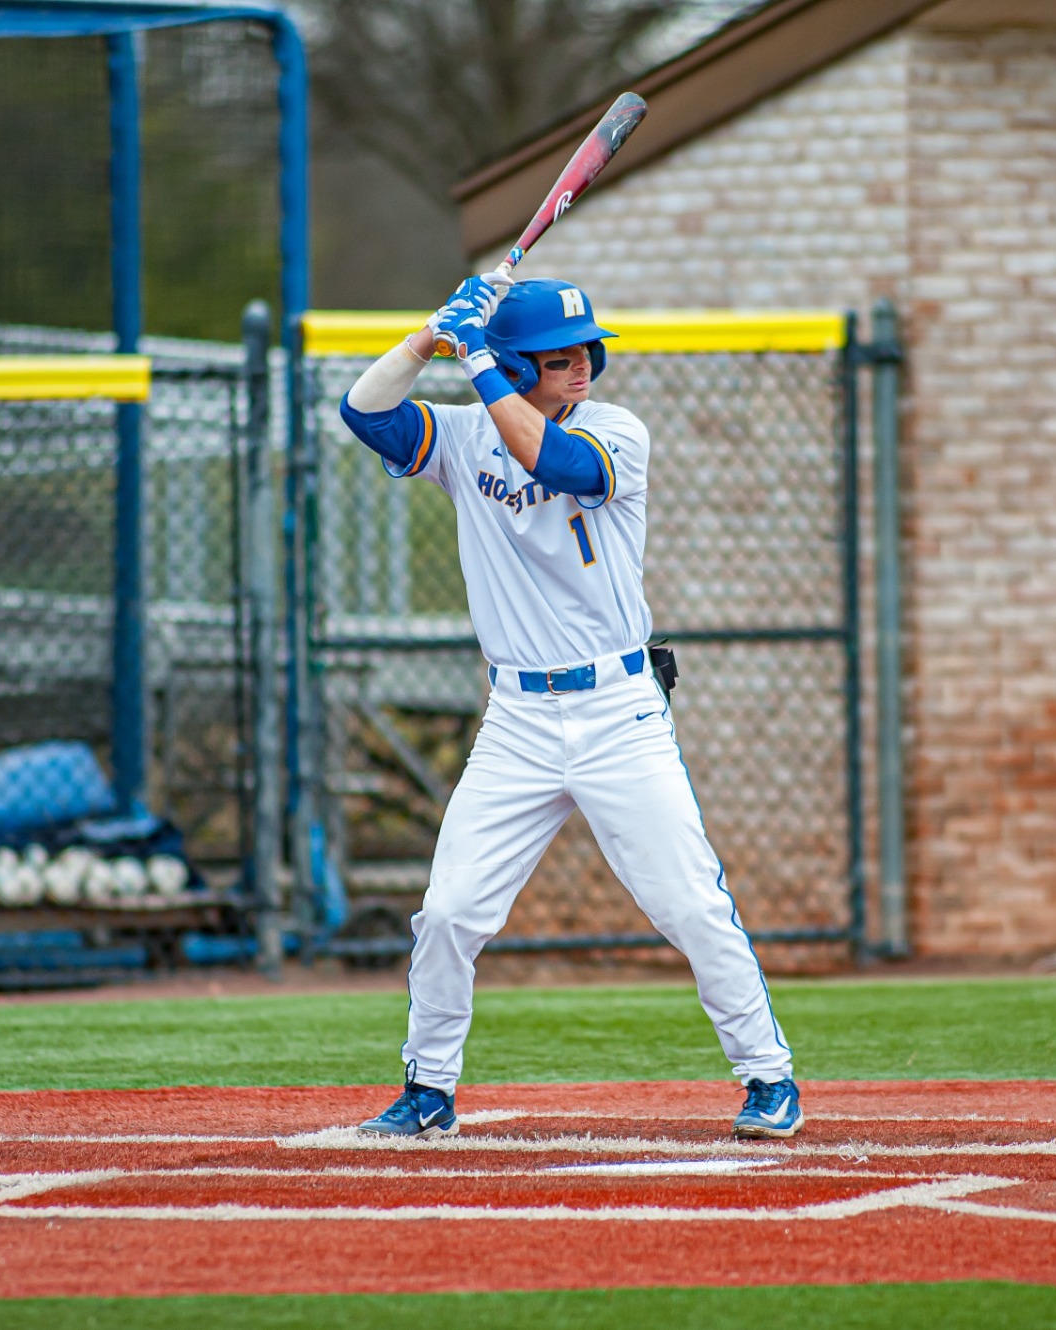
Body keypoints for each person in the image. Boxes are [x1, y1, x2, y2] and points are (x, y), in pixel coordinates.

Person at [336, 273, 799, 1139]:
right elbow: (363, 413)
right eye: (557, 357)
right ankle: (429, 1089)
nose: (581, 365)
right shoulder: (463, 435)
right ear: (522, 364)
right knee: (448, 912)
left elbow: (551, 462)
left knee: (689, 903)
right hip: (516, 719)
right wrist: (427, 339)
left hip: (618, 710)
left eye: (585, 350)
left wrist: (479, 357)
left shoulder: (615, 431)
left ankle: (767, 1076)